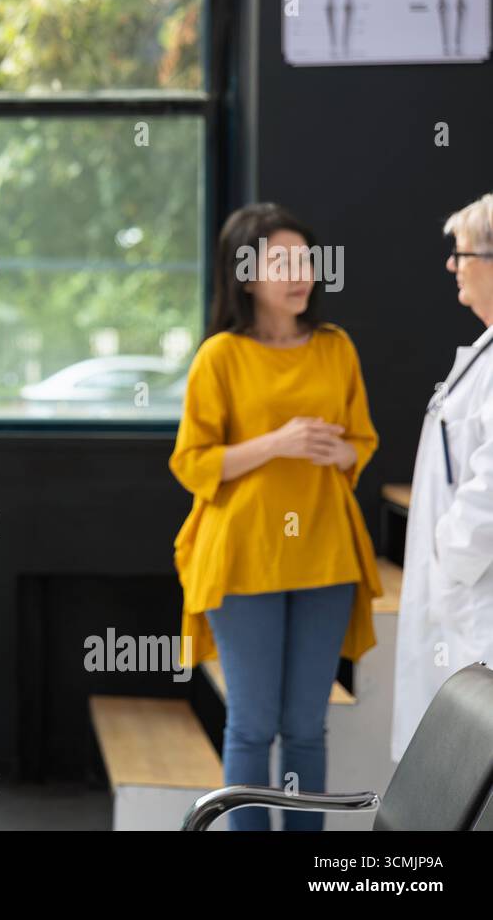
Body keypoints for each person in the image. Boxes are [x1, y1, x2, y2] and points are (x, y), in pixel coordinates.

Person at [169, 202, 381, 830]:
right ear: (245, 276)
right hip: (243, 558)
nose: (301, 273)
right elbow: (193, 463)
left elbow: (360, 445)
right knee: (253, 725)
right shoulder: (220, 356)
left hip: (325, 554)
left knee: (306, 730)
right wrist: (276, 443)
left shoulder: (337, 348)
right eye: (280, 261)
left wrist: (340, 449)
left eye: (306, 260)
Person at [392, 193, 493, 761]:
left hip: (479, 603)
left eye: (463, 253)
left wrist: (450, 559)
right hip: (466, 600)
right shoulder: (485, 350)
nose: (453, 265)